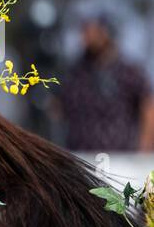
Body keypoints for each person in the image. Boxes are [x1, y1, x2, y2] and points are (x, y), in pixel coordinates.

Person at [55, 15, 154, 153]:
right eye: (84, 31)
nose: (86, 36)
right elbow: (58, 110)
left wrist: (144, 149)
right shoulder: (74, 73)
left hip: (122, 161)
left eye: (92, 30)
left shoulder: (129, 72)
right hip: (80, 159)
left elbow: (147, 107)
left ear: (105, 33)